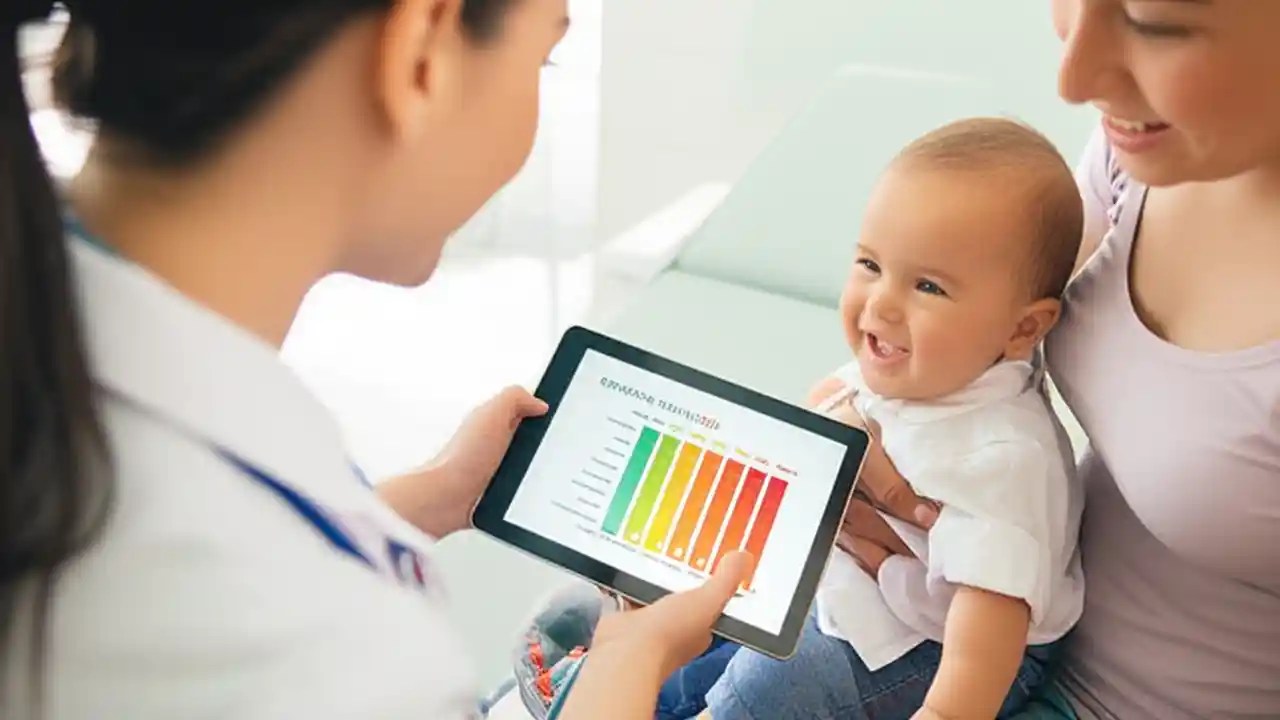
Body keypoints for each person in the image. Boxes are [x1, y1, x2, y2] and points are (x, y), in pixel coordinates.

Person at [0, 1, 752, 718]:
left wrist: (433, 495)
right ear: (421, 49)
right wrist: (628, 662)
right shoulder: (342, 662)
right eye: (543, 59)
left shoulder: (61, 332)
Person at [842, 1, 1280, 718]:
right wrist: (859, 418)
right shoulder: (1140, 156)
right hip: (988, 645)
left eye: (1151, 19)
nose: (1072, 79)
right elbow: (978, 317)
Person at [661, 118, 1089, 720]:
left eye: (929, 287)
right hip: (877, 597)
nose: (881, 303)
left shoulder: (1003, 453)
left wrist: (946, 712)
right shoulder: (929, 363)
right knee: (724, 617)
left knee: (782, 678)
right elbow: (840, 392)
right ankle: (659, 690)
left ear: (1021, 328)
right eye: (869, 264)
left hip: (948, 652)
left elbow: (991, 619)